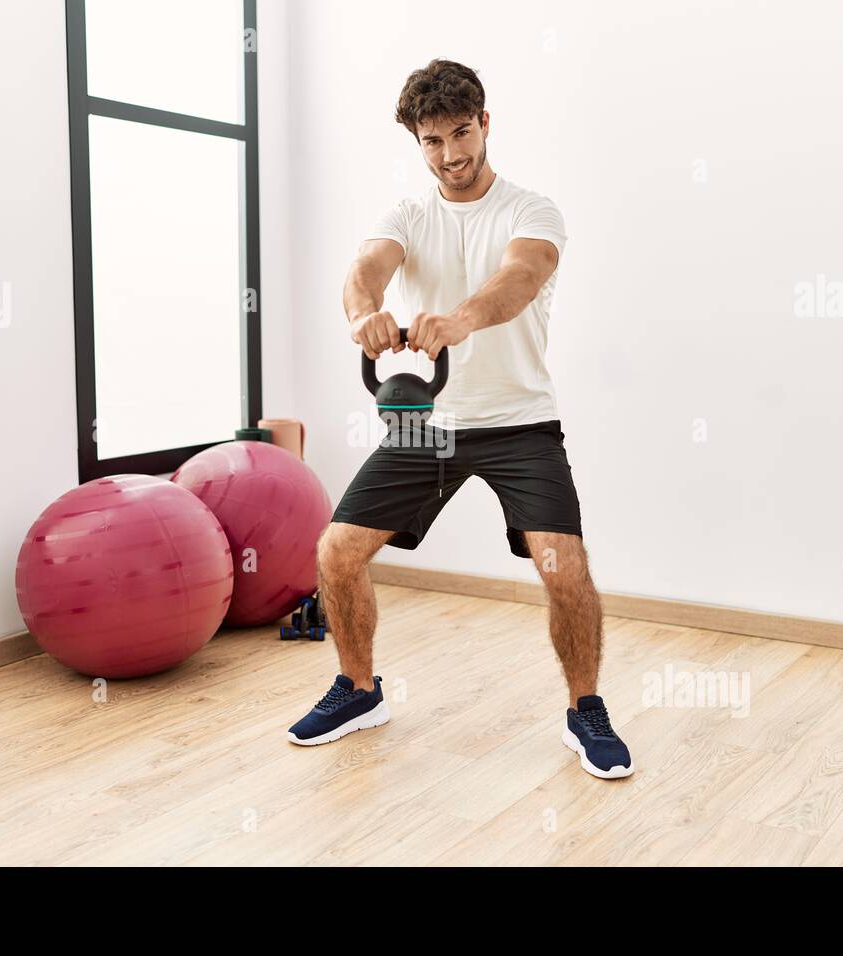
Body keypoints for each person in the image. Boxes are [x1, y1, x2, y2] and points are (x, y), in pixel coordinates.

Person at [287, 59, 632, 779]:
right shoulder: (407, 217)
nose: (451, 155)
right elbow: (366, 271)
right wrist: (364, 317)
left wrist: (460, 319)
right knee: (337, 551)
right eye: (432, 140)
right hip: (427, 426)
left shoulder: (531, 210)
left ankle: (585, 709)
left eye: (462, 133)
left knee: (564, 568)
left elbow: (521, 279)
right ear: (417, 142)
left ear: (485, 121)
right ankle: (357, 690)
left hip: (519, 423)